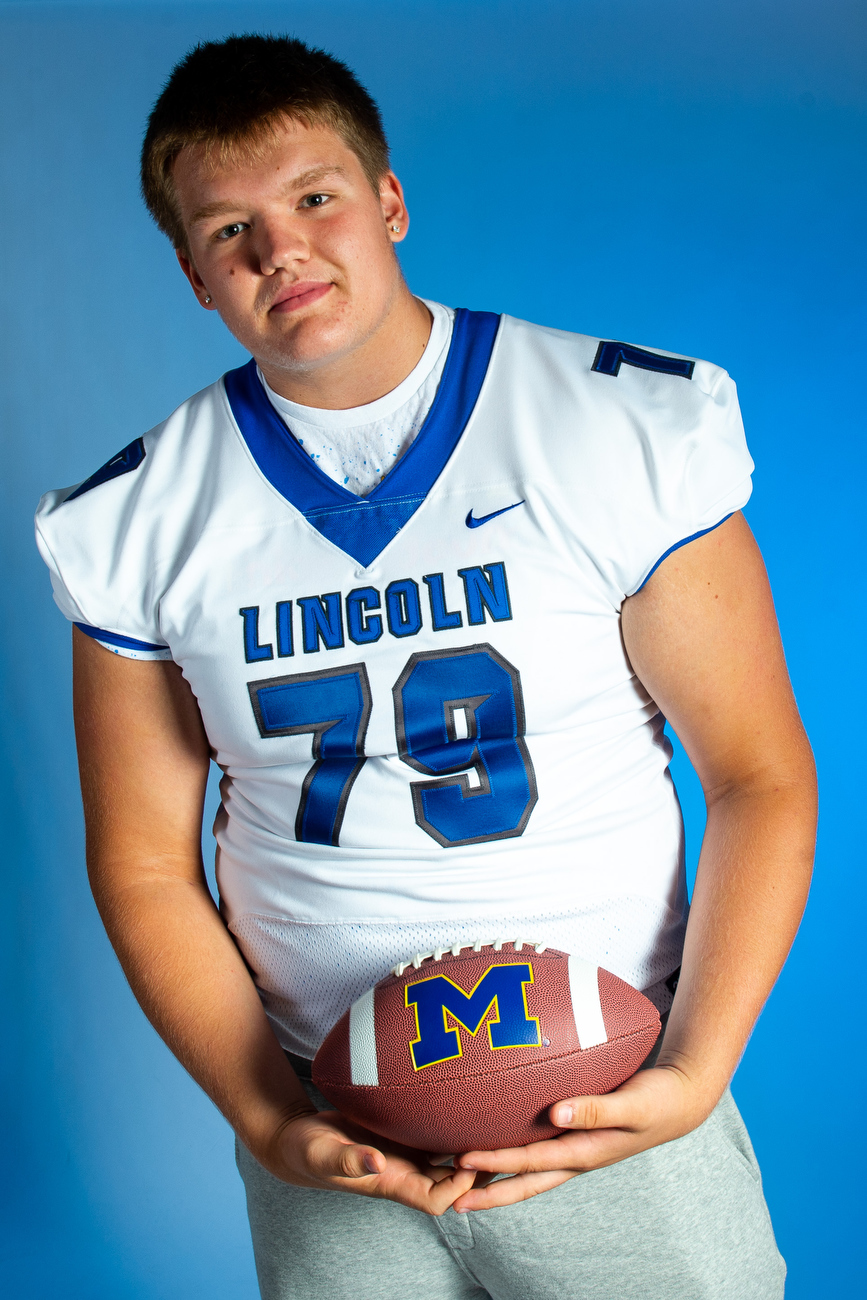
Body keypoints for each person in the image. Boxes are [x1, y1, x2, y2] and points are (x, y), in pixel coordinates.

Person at [35, 33, 816, 1300]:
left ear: (389, 200)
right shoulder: (137, 518)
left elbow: (757, 774)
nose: (280, 249)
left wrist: (695, 1072)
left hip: (607, 1097)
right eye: (228, 229)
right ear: (193, 274)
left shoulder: (611, 425)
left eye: (314, 197)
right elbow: (140, 862)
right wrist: (265, 1113)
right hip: (331, 1117)